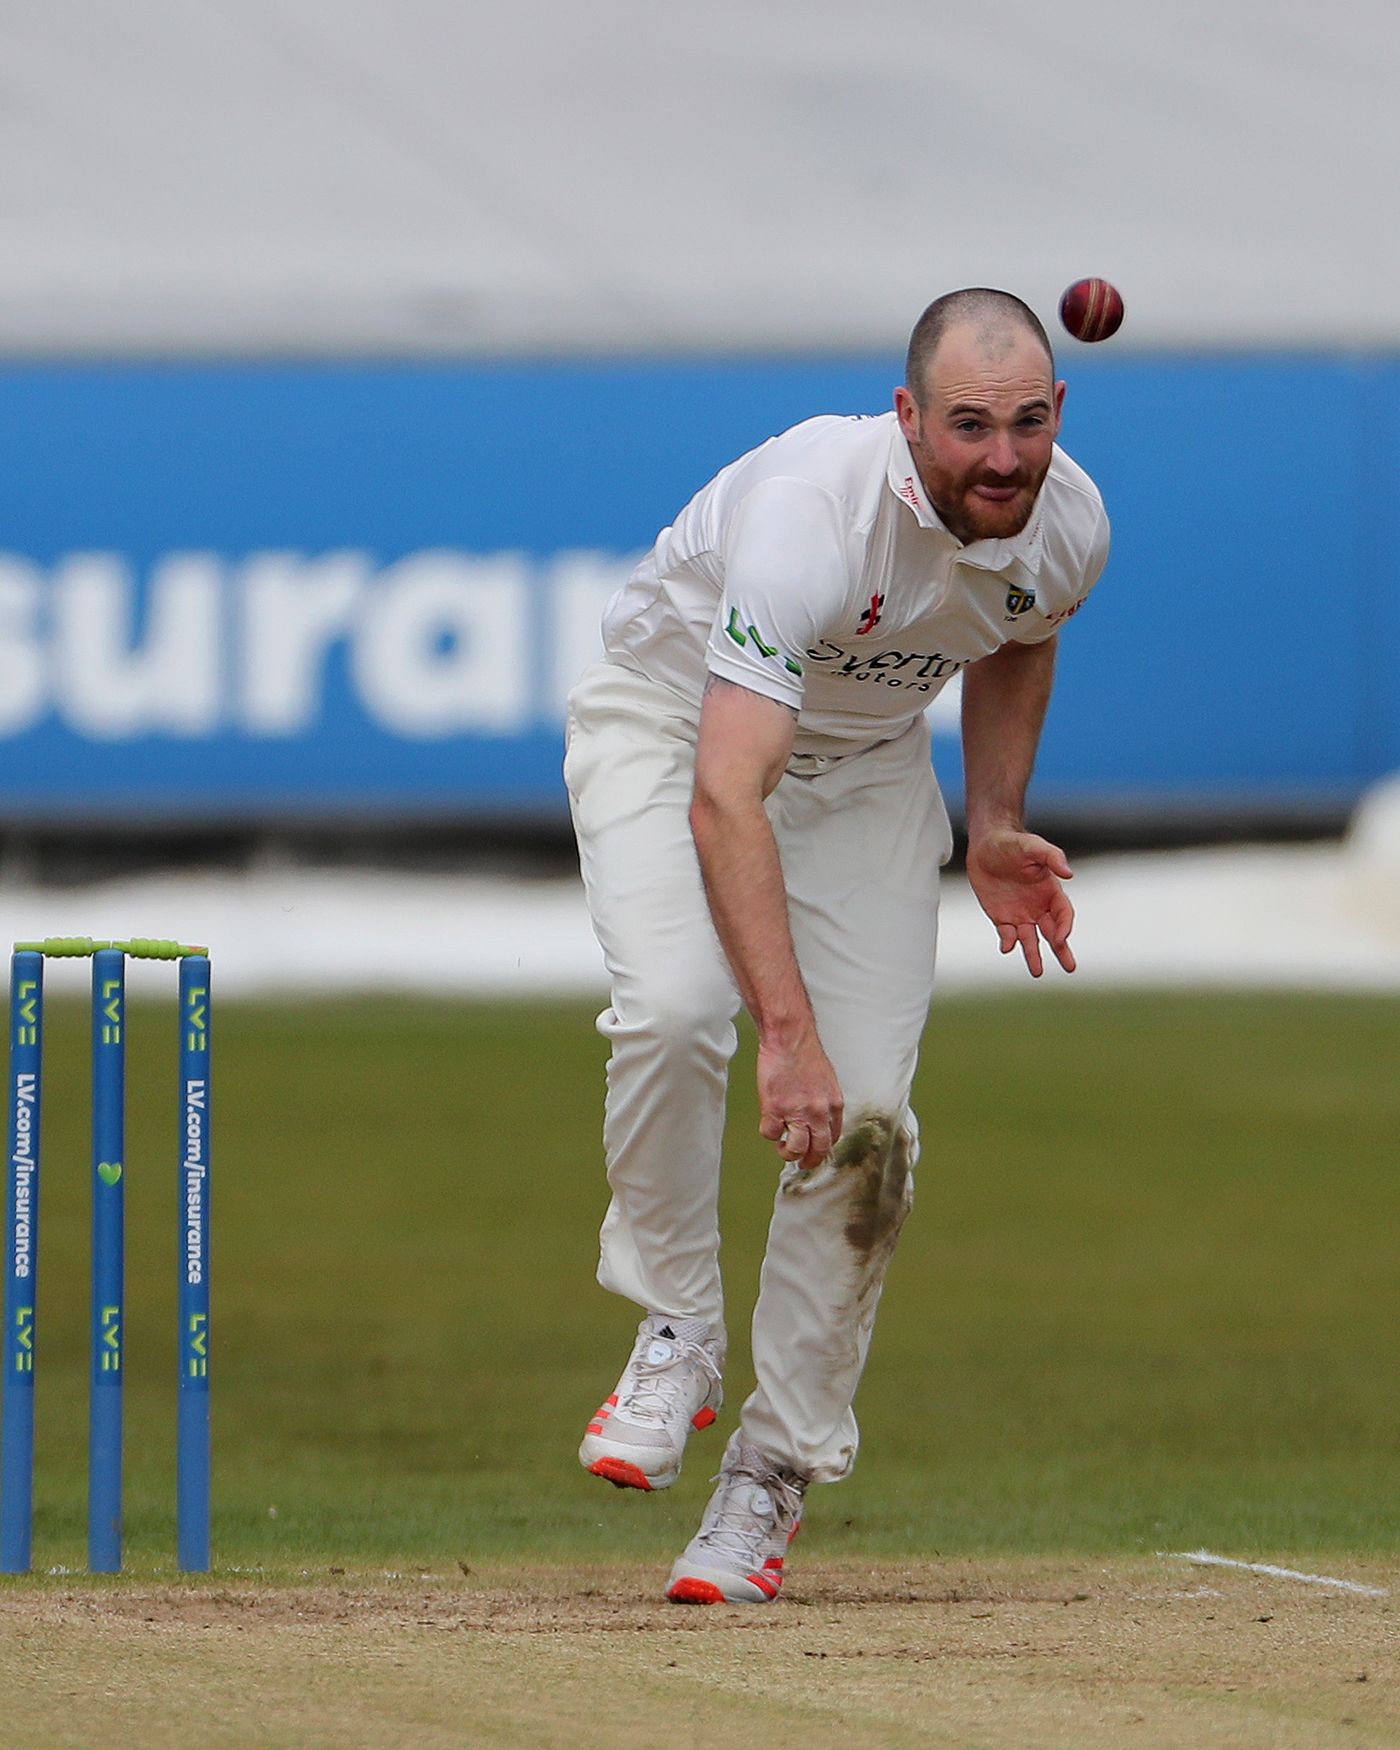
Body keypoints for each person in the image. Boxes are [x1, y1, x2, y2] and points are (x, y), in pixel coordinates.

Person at [564, 287, 1109, 1605]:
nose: (1002, 457)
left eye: (1028, 423)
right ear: (907, 414)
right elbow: (725, 796)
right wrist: (784, 1037)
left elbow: (1019, 631)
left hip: (867, 771)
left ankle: (773, 1468)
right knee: (686, 1010)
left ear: (1060, 414)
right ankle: (679, 1324)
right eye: (970, 424)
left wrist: (991, 819)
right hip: (676, 725)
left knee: (869, 1127)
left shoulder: (1071, 522)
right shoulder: (815, 513)